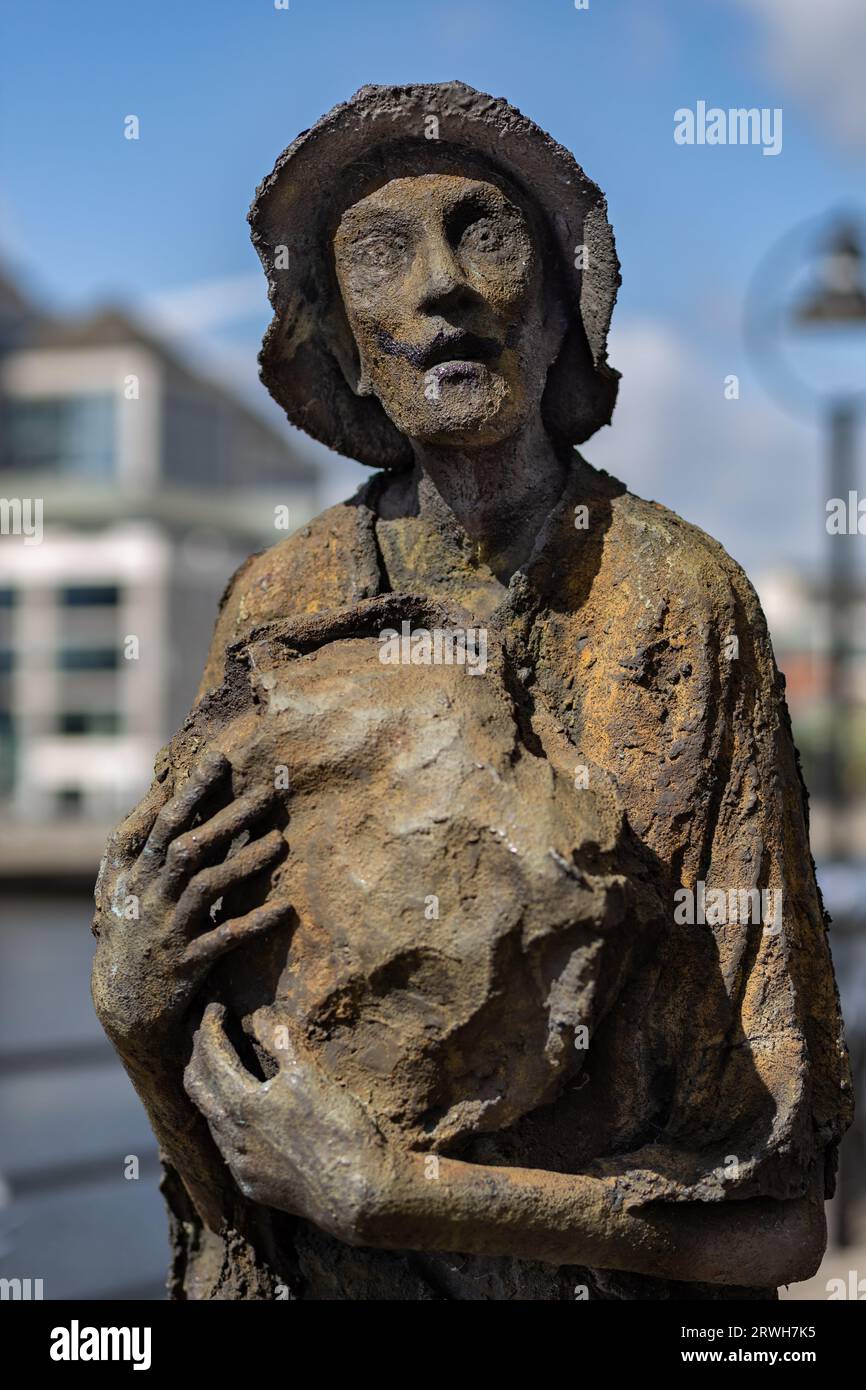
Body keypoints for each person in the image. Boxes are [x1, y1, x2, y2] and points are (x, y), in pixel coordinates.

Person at [92, 82, 851, 1300]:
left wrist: (406, 1196)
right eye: (381, 253)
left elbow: (771, 1223)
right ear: (337, 337)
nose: (441, 284)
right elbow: (231, 1141)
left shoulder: (672, 603)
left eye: (483, 232)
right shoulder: (278, 606)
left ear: (558, 310)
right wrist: (137, 1013)